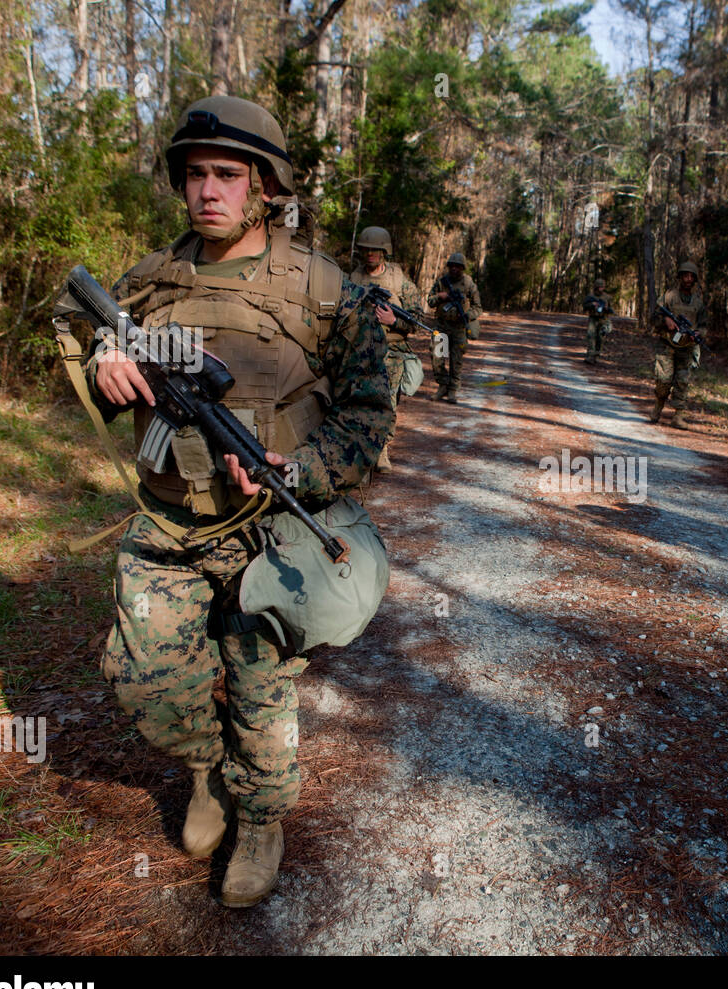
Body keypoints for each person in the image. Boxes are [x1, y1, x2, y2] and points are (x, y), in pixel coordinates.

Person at [86, 96, 394, 906]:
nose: (209, 190)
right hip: (168, 514)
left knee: (258, 681)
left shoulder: (325, 287)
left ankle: (261, 817)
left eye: (228, 174)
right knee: (142, 678)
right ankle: (203, 773)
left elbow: (371, 409)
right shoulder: (149, 280)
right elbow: (82, 328)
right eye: (196, 175)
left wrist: (307, 470)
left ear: (265, 187)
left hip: (267, 528)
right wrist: (104, 361)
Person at [350, 225, 424, 473]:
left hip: (391, 353)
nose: (370, 254)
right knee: (357, 401)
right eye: (366, 250)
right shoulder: (353, 278)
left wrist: (393, 321)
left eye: (375, 250)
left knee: (387, 403)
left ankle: (381, 450)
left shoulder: (398, 279)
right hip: (359, 349)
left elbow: (415, 318)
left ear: (384, 252)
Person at [650, 261, 707, 427]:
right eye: (685, 276)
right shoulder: (668, 297)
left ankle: (678, 416)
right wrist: (665, 320)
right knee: (663, 380)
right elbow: (653, 317)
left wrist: (698, 334)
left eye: (691, 276)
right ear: (680, 277)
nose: (688, 279)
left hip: (686, 348)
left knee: (682, 381)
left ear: (694, 279)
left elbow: (703, 325)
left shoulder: (698, 303)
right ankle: (658, 405)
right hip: (667, 344)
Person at [426, 252, 482, 403]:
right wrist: (440, 297)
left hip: (458, 328)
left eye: (458, 267)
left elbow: (478, 308)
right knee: (437, 356)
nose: (454, 269)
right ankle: (443, 386)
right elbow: (430, 301)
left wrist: (466, 315)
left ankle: (453, 390)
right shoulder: (441, 282)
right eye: (452, 266)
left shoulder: (469, 284)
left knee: (456, 360)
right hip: (441, 326)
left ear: (462, 268)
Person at [582, 278, 613, 364]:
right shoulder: (590, 296)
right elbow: (584, 306)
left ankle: (596, 355)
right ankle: (590, 356)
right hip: (593, 318)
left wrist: (606, 308)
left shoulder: (607, 297)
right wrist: (592, 304)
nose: (601, 289)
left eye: (602, 287)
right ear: (596, 287)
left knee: (600, 338)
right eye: (599, 287)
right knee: (590, 336)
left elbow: (611, 310)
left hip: (603, 319)